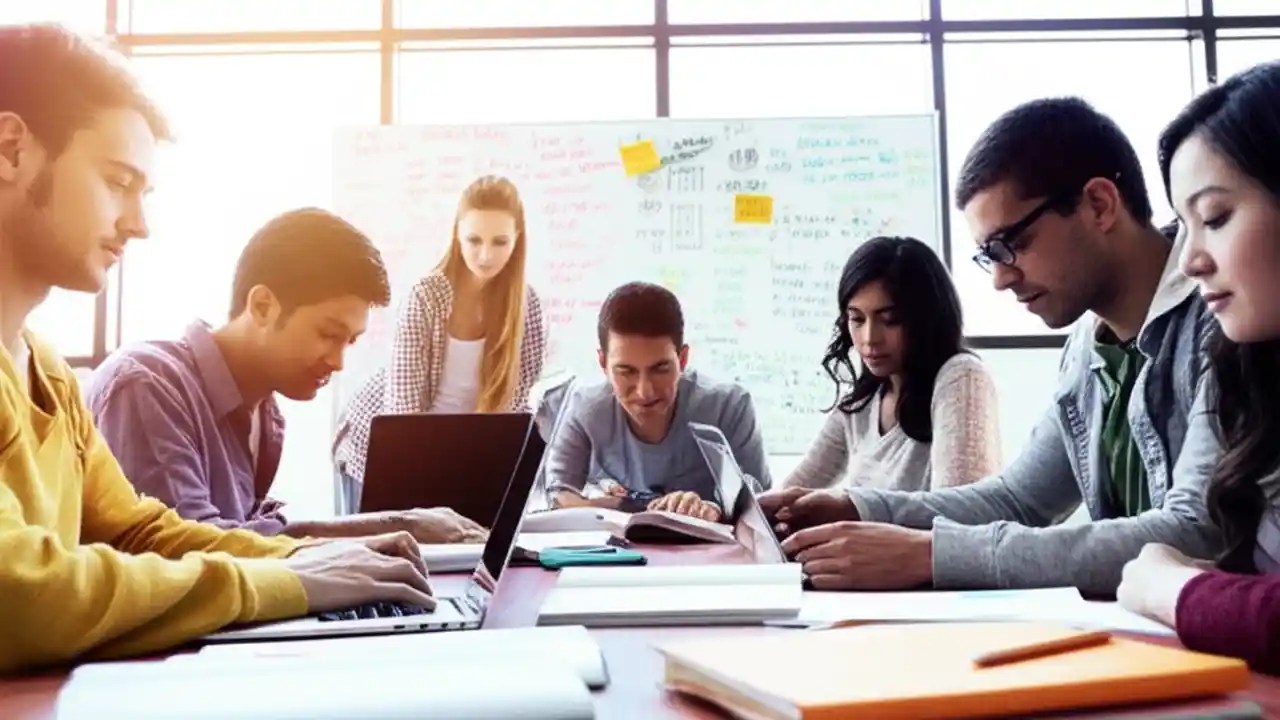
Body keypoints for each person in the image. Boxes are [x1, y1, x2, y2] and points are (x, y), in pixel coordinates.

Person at [0, 23, 431, 674]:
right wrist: (289, 584)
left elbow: (141, 532)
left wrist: (305, 561)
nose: (139, 224)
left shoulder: (50, 374)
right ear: (10, 150)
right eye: (118, 181)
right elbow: (17, 594)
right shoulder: (142, 380)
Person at [759, 97, 1222, 593]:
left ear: (1099, 205)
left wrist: (932, 555)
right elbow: (1019, 498)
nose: (1001, 279)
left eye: (1012, 244)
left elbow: (1193, 533)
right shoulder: (1088, 347)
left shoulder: (1222, 327)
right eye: (988, 256)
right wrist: (860, 506)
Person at [85, 208, 488, 544]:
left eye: (350, 341)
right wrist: (396, 528)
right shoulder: (146, 386)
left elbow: (246, 535)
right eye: (328, 335)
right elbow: (194, 547)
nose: (338, 361)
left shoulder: (265, 411)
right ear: (262, 306)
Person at [1117, 60, 1280, 672]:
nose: (1189, 260)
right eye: (1183, 226)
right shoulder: (1245, 367)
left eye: (1214, 219)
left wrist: (1175, 590)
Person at [333, 175, 547, 512]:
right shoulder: (427, 296)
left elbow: (514, 410)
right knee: (384, 553)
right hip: (381, 450)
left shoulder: (526, 305)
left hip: (457, 455)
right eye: (474, 240)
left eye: (500, 242)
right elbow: (402, 417)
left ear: (517, 240)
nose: (486, 255)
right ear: (457, 236)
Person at [782, 235, 1001, 492]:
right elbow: (790, 491)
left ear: (926, 318)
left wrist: (851, 513)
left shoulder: (962, 376)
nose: (869, 339)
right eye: (857, 320)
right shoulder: (860, 404)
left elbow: (960, 512)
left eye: (890, 320)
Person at [543, 281, 771, 521]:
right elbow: (559, 496)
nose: (645, 391)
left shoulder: (730, 406)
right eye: (626, 371)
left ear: (682, 360)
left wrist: (711, 509)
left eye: (660, 369)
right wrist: (631, 504)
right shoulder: (584, 405)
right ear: (603, 363)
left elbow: (758, 504)